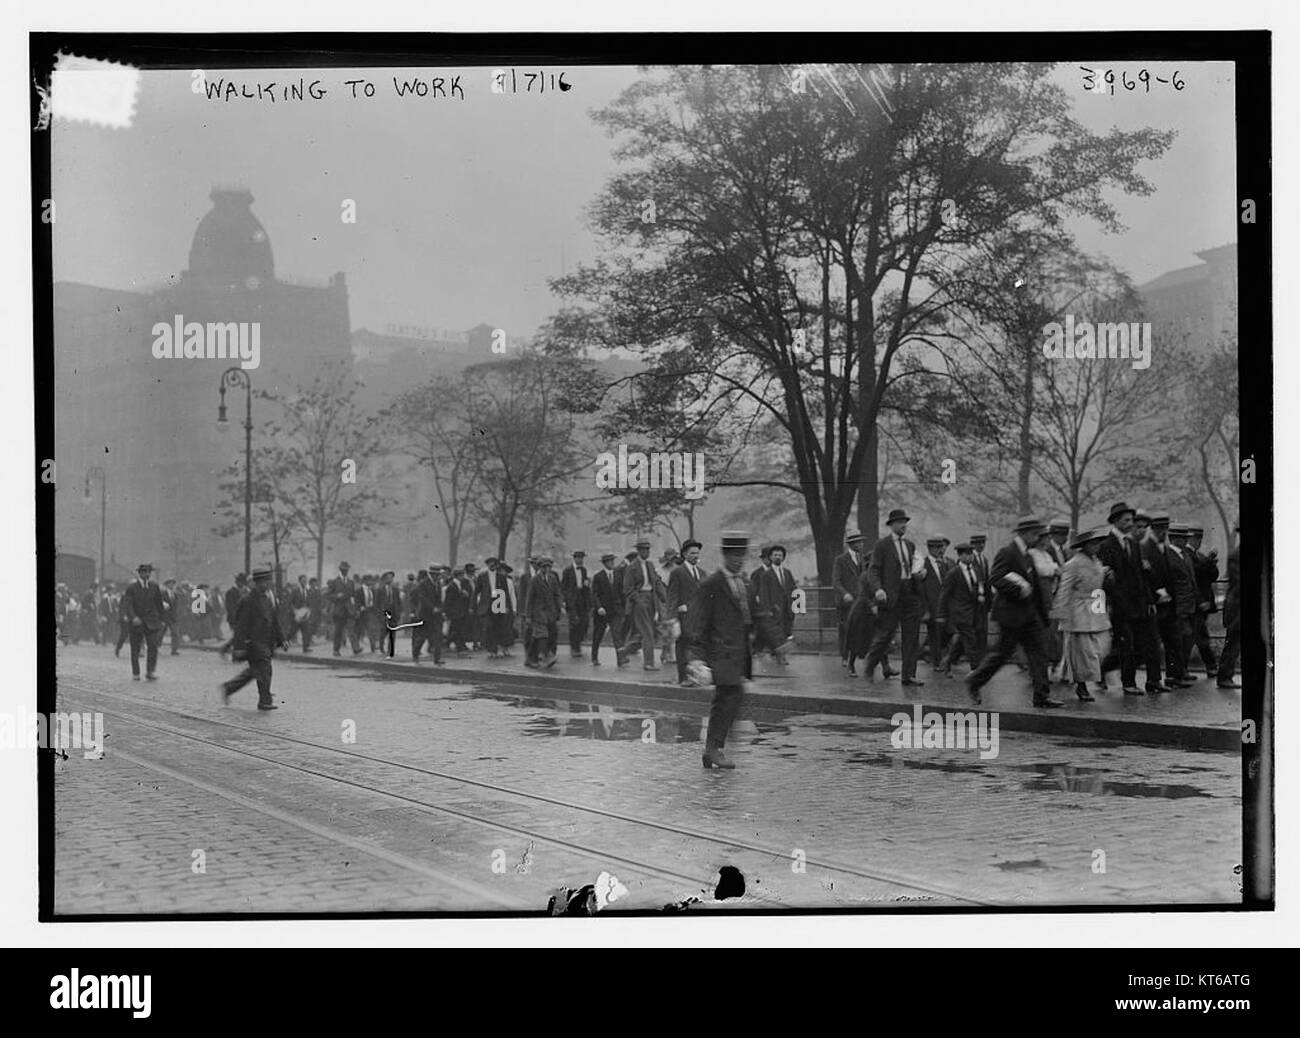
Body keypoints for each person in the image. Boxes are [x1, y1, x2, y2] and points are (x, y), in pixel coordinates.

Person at [965, 517, 1062, 709]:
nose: (1037, 537)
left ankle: (1042, 696)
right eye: (1035, 533)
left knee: (1039, 653)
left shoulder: (1027, 555)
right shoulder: (1007, 552)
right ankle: (975, 681)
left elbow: (1035, 588)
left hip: (1030, 616)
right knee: (1002, 653)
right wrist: (1018, 589)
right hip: (1011, 615)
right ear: (1024, 533)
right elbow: (995, 578)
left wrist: (1043, 616)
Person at [687, 532, 755, 770]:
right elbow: (698, 623)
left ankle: (712, 748)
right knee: (729, 696)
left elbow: (756, 616)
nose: (739, 560)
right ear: (725, 556)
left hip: (738, 655)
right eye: (734, 555)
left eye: (742, 555)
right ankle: (714, 748)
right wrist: (696, 658)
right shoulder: (712, 584)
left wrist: (777, 642)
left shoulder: (744, 583)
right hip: (720, 654)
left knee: (728, 699)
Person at [1096, 502, 1167, 695]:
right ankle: (1128, 683)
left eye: (1131, 520)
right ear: (1115, 521)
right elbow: (1105, 580)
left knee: (1151, 642)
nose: (1130, 523)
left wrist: (1150, 601)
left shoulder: (1133, 544)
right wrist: (1111, 603)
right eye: (1126, 520)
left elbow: (1141, 577)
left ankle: (1154, 681)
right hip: (1120, 605)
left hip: (1140, 603)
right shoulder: (1106, 546)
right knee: (1126, 645)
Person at [1050, 527, 1114, 701]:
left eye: (1098, 543)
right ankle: (1081, 685)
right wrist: (1060, 613)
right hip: (1078, 611)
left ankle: (1077, 675)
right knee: (1082, 650)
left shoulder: (1096, 562)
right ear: (1084, 546)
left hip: (1095, 606)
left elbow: (1097, 585)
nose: (1097, 547)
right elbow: (1064, 589)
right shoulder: (1073, 564)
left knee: (1101, 647)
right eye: (1093, 544)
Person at [864, 508, 925, 686]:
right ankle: (870, 667)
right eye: (899, 522)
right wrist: (878, 589)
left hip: (909, 593)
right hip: (891, 596)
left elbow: (913, 568)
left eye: (905, 522)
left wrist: (920, 574)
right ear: (891, 525)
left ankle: (908, 675)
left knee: (911, 636)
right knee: (885, 635)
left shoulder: (910, 545)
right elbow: (873, 570)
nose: (903, 525)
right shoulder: (882, 545)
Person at [221, 566, 287, 710]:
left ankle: (229, 687)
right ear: (258, 583)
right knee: (265, 670)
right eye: (265, 582)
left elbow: (274, 621)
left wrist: (282, 639)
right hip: (254, 644)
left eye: (268, 581)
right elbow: (241, 626)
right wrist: (239, 647)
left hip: (266, 643)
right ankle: (264, 701)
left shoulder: (266, 599)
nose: (268, 584)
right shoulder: (247, 600)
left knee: (255, 672)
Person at [936, 543, 984, 675]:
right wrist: (941, 614)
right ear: (960, 556)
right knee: (970, 639)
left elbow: (980, 586)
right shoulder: (954, 573)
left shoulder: (976, 570)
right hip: (960, 612)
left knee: (962, 640)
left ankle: (947, 661)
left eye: (971, 554)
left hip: (974, 611)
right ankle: (975, 668)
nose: (970, 557)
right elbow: (945, 594)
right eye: (967, 554)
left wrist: (982, 597)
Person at [623, 539, 666, 671]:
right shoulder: (632, 567)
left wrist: (664, 598)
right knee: (647, 632)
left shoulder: (650, 565)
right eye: (644, 549)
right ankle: (648, 663)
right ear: (639, 551)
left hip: (652, 600)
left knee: (648, 631)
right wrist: (638, 601)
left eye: (648, 549)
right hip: (639, 601)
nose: (646, 552)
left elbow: (657, 582)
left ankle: (623, 651)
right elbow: (627, 589)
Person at [667, 540, 704, 684]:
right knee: (682, 646)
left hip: (698, 617)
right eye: (692, 553)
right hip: (683, 617)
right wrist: (673, 618)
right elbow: (672, 596)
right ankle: (683, 677)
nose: (695, 556)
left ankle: (696, 676)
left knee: (696, 647)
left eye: (697, 553)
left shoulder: (702, 573)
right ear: (684, 554)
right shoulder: (678, 572)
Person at [122, 563, 166, 681]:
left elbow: (159, 604)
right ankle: (136, 672)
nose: (147, 574)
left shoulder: (154, 586)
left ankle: (150, 671)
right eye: (144, 572)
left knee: (153, 646)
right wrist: (133, 617)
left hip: (151, 621)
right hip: (137, 622)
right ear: (140, 573)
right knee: (135, 648)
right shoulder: (132, 588)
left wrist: (162, 619)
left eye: (149, 572)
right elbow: (128, 605)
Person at [1187, 526, 1219, 677]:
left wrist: (1211, 564)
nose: (1198, 541)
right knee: (1200, 636)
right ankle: (1211, 667)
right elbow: (1195, 574)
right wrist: (1208, 562)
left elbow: (1212, 575)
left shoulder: (1199, 556)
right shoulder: (1187, 555)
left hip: (1202, 602)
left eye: (1200, 538)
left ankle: (1182, 669)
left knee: (1194, 636)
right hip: (1195, 602)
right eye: (1196, 538)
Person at [832, 532, 867, 669]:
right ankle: (845, 657)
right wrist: (845, 594)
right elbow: (836, 581)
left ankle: (862, 655)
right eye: (859, 542)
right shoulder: (841, 560)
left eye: (862, 542)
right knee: (845, 629)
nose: (862, 545)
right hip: (846, 602)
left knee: (863, 628)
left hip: (861, 600)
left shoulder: (863, 559)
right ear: (852, 544)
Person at [917, 537, 949, 668]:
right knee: (934, 634)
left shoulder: (944, 564)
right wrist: (925, 609)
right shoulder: (923, 564)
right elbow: (920, 589)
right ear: (930, 549)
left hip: (944, 606)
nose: (940, 550)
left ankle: (940, 658)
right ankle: (937, 661)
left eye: (941, 547)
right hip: (931, 605)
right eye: (937, 548)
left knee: (946, 632)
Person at [591, 551, 627, 667]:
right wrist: (599, 607)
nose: (612, 563)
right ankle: (594, 657)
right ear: (604, 563)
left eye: (612, 560)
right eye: (609, 561)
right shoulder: (598, 576)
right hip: (602, 612)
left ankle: (621, 659)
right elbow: (594, 594)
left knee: (617, 634)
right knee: (598, 635)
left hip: (615, 610)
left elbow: (622, 592)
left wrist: (624, 607)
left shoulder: (618, 575)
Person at [1216, 525, 1241, 689]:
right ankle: (1224, 676)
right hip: (1237, 605)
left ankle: (1225, 676)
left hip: (1237, 604)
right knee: (1233, 642)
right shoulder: (1236, 555)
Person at [561, 551, 593, 659]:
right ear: (574, 559)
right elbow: (564, 587)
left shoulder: (584, 570)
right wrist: (565, 600)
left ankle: (578, 643)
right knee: (574, 624)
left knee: (584, 622)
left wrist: (588, 601)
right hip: (572, 601)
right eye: (579, 558)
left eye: (582, 558)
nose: (580, 560)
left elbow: (586, 587)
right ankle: (574, 647)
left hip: (582, 600)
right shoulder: (567, 571)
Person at [411, 569, 445, 664]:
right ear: (432, 574)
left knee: (438, 636)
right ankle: (415, 652)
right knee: (422, 636)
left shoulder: (438, 584)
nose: (438, 576)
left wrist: (440, 609)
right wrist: (432, 608)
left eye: (439, 574)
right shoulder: (423, 584)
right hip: (426, 615)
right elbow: (423, 598)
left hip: (436, 615)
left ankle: (437, 659)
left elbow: (439, 598)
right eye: (437, 574)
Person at [328, 562, 357, 656]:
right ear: (340, 570)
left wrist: (354, 608)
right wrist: (337, 596)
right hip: (339, 610)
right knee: (338, 631)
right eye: (344, 569)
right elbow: (329, 595)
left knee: (351, 629)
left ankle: (356, 648)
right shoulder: (334, 582)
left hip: (349, 610)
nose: (345, 571)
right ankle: (336, 650)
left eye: (347, 569)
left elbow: (353, 596)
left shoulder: (351, 582)